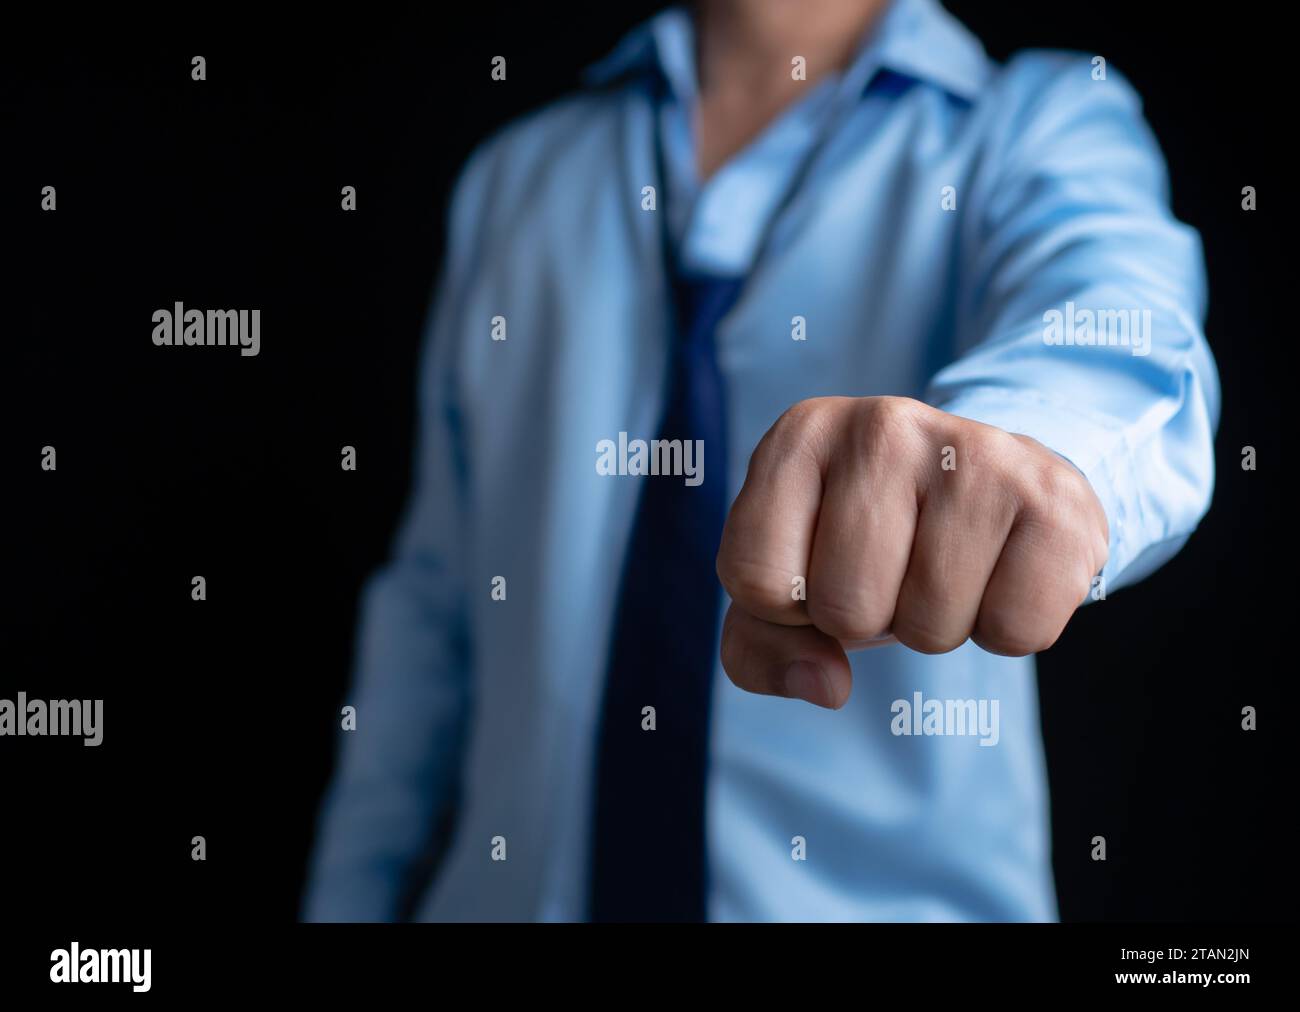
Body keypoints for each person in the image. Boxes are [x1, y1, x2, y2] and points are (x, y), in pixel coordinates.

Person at [303, 0, 1218, 921]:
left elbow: (1120, 330)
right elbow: (437, 606)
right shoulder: (516, 178)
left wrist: (1024, 447)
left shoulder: (1039, 122)